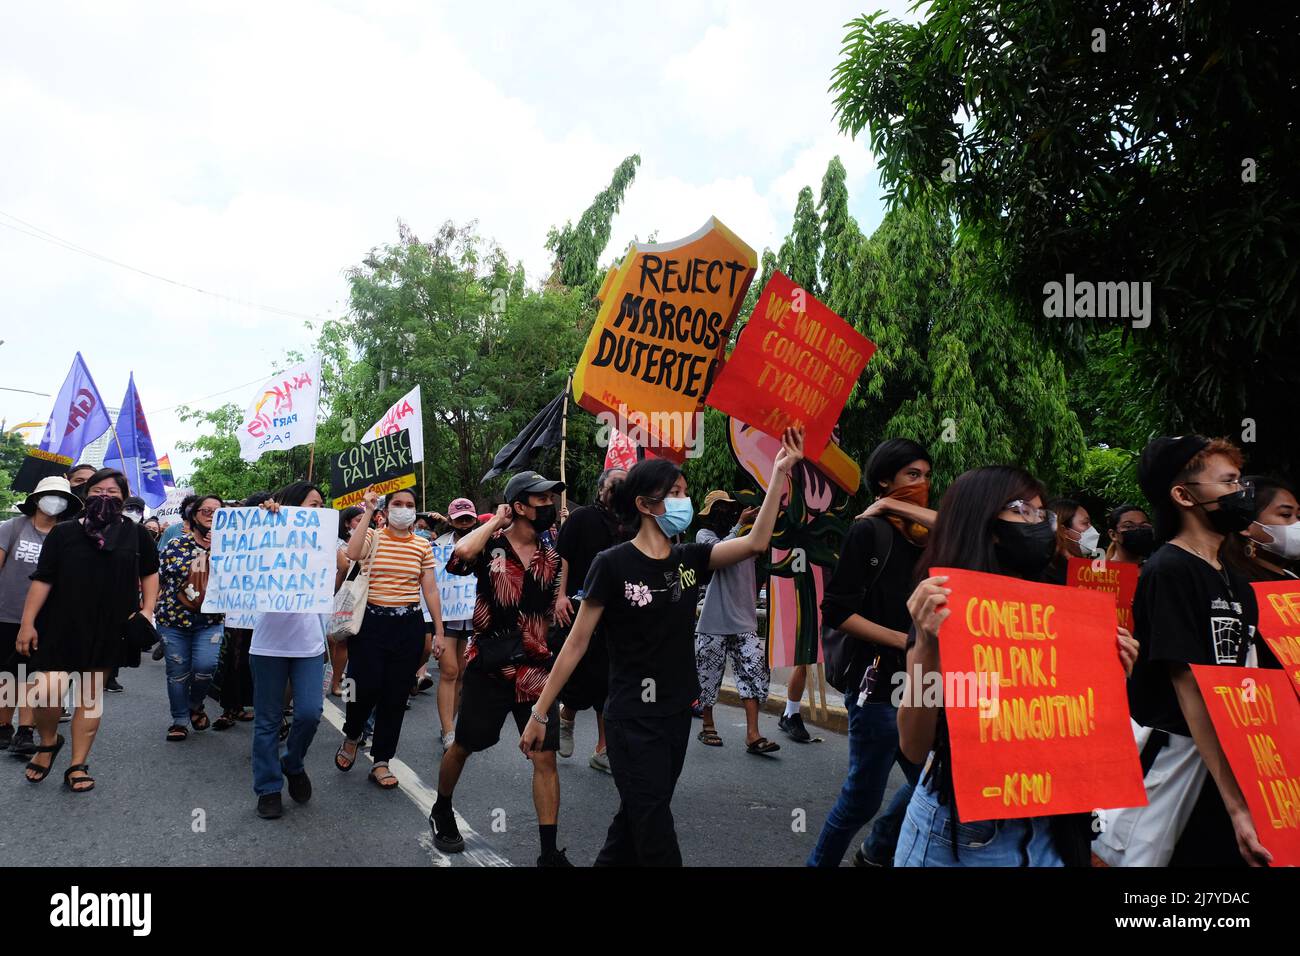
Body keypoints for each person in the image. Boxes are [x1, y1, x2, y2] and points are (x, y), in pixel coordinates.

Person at [523, 428, 806, 866]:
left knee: (634, 823)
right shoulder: (612, 565)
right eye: (674, 493)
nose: (683, 501)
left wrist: (779, 474)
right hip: (632, 719)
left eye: (683, 493)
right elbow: (576, 644)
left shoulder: (690, 558)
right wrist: (541, 712)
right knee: (655, 831)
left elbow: (755, 542)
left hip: (676, 715)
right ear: (644, 505)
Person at [897, 466, 1138, 866]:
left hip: (1050, 828)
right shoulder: (944, 606)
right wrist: (925, 646)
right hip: (963, 834)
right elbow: (913, 745)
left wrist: (1113, 674)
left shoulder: (1058, 604)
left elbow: (1072, 725)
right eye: (1022, 510)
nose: (1039, 523)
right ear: (984, 522)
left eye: (1042, 513)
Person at [1097, 438, 1281, 867]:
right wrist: (1237, 804)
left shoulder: (1234, 578)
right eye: (1229, 482)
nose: (1242, 493)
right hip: (1177, 762)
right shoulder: (1168, 570)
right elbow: (1192, 690)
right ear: (1183, 495)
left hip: (1224, 762)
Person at [809, 438, 936, 867]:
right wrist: (906, 641)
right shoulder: (868, 531)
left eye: (927, 475)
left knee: (935, 785)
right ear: (885, 479)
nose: (923, 484)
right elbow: (837, 612)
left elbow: (965, 526)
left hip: (924, 687)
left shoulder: (930, 539)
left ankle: (878, 850)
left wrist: (892, 506)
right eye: (912, 475)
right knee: (860, 801)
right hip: (878, 685)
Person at [432, 471, 570, 866]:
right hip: (489, 666)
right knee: (465, 744)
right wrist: (495, 520)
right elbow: (457, 560)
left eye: (551, 500)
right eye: (541, 500)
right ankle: (442, 808)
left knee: (545, 758)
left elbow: (545, 613)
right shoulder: (491, 547)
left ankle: (548, 853)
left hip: (535, 671)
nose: (549, 507)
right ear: (520, 506)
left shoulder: (553, 559)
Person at [16, 468, 159, 792]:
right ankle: (49, 742)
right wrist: (27, 624)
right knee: (45, 690)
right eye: (98, 491)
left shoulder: (137, 535)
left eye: (113, 491)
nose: (105, 496)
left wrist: (147, 610)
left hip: (111, 625)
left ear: (123, 498)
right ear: (84, 494)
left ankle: (78, 764)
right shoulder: (63, 533)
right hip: (60, 624)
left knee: (90, 698)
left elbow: (150, 573)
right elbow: (43, 579)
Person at [334, 487, 443, 790]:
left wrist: (439, 631)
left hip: (407, 625)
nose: (404, 509)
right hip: (370, 624)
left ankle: (381, 760)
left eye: (410, 504)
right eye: (398, 503)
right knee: (362, 687)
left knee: (395, 696)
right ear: (387, 508)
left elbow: (430, 589)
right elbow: (353, 554)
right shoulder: (373, 535)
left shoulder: (422, 546)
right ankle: (353, 733)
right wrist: (368, 511)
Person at [247, 482, 329, 819]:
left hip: (308, 645)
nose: (319, 510)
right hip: (268, 645)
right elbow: (239, 550)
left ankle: (292, 763)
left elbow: (351, 556)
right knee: (267, 720)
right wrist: (262, 519)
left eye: (322, 505)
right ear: (293, 506)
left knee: (309, 713)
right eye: (313, 504)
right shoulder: (267, 530)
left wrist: (368, 513)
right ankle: (268, 787)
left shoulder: (324, 542)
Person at [1, 478, 81, 757]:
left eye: (61, 497)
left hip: (47, 617)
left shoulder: (67, 534)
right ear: (36, 498)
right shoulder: (12, 528)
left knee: (32, 674)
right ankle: (3, 725)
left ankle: (26, 729)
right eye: (50, 495)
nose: (55, 501)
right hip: (7, 611)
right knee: (6, 674)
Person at [554, 468, 627, 771]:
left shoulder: (631, 524)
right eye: (615, 485)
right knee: (580, 676)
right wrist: (559, 597)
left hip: (616, 614)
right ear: (601, 490)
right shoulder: (581, 518)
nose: (620, 490)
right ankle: (566, 716)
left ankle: (603, 749)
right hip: (579, 607)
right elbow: (563, 558)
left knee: (610, 681)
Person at [693, 491, 775, 753]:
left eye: (729, 508)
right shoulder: (704, 536)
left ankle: (753, 734)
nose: (725, 513)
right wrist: (739, 525)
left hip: (745, 620)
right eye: (720, 509)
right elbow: (719, 555)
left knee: (753, 674)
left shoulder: (749, 536)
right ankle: (708, 725)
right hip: (714, 621)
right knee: (708, 676)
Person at [155, 494, 224, 741]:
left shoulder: (231, 548)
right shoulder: (175, 545)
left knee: (206, 666)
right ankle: (180, 720)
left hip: (210, 622)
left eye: (217, 510)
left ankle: (195, 704)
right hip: (173, 620)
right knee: (177, 671)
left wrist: (220, 548)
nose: (211, 513)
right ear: (194, 516)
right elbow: (158, 578)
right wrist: (147, 608)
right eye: (205, 509)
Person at [431, 498, 479, 751]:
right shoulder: (437, 547)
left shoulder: (487, 543)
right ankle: (448, 731)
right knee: (448, 671)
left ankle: (451, 723)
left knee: (462, 673)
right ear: (450, 520)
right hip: (447, 617)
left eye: (468, 517)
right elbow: (430, 585)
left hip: (474, 618)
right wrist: (434, 627)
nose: (464, 522)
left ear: (474, 517)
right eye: (459, 518)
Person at [1224, 476, 1299, 582]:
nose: (1297, 524)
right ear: (1246, 525)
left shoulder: (1292, 577)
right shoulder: (1231, 580)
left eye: (1298, 516)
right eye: (1286, 514)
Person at [330, 505, 365, 697]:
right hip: (335, 596)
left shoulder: (369, 543)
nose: (363, 525)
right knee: (330, 642)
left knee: (345, 643)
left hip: (356, 599)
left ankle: (338, 684)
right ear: (346, 523)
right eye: (358, 521)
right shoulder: (335, 544)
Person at [1043, 498, 1101, 584]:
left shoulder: (1094, 565)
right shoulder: (1047, 573)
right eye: (1085, 523)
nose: (1092, 529)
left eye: (1090, 523)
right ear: (1062, 530)